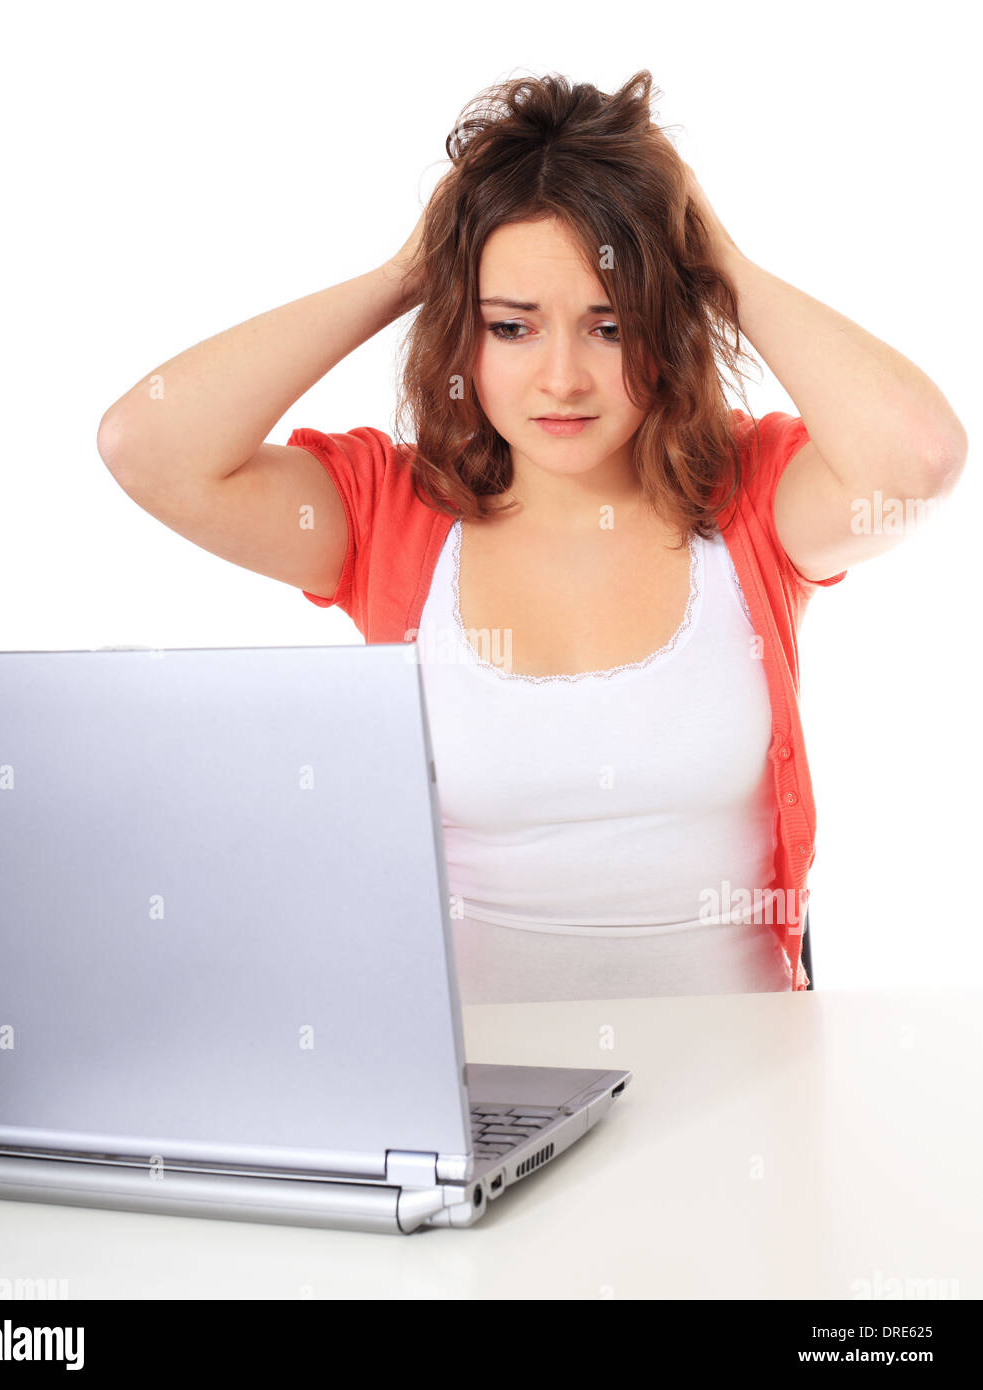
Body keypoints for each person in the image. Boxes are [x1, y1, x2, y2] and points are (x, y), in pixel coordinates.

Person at [96, 71, 967, 1003]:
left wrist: (725, 268)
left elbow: (918, 457)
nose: (563, 380)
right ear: (460, 335)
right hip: (487, 1117)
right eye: (511, 327)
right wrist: (404, 274)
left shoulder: (753, 501)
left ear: (670, 328)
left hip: (747, 1099)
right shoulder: (393, 515)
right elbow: (146, 447)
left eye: (610, 326)